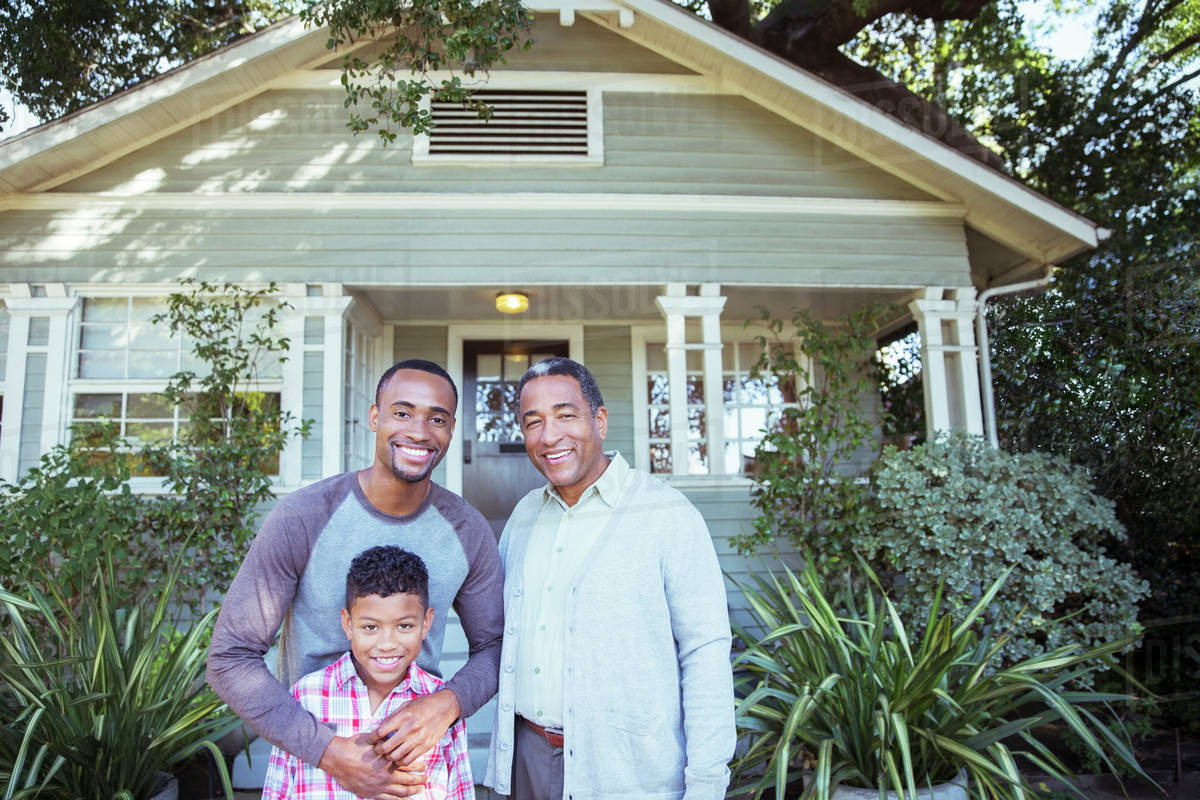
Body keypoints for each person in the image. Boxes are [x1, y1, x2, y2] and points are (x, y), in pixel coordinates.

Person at [208, 360, 503, 799]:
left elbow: (495, 647)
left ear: (452, 429)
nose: (420, 431)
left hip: (416, 767)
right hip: (313, 761)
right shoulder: (304, 517)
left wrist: (448, 703)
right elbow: (230, 657)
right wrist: (328, 752)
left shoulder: (467, 530)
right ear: (374, 417)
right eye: (402, 413)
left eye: (436, 418)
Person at [484, 357, 735, 799]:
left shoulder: (668, 515)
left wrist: (706, 784)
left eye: (565, 415)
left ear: (599, 420)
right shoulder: (524, 517)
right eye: (533, 422)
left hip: (630, 773)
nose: (550, 436)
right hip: (527, 759)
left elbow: (705, 653)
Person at [262, 545, 474, 800]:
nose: (387, 643)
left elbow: (459, 792)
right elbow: (277, 791)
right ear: (348, 624)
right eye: (371, 627)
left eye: (404, 625)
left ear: (426, 623)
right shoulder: (307, 697)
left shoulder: (442, 705)